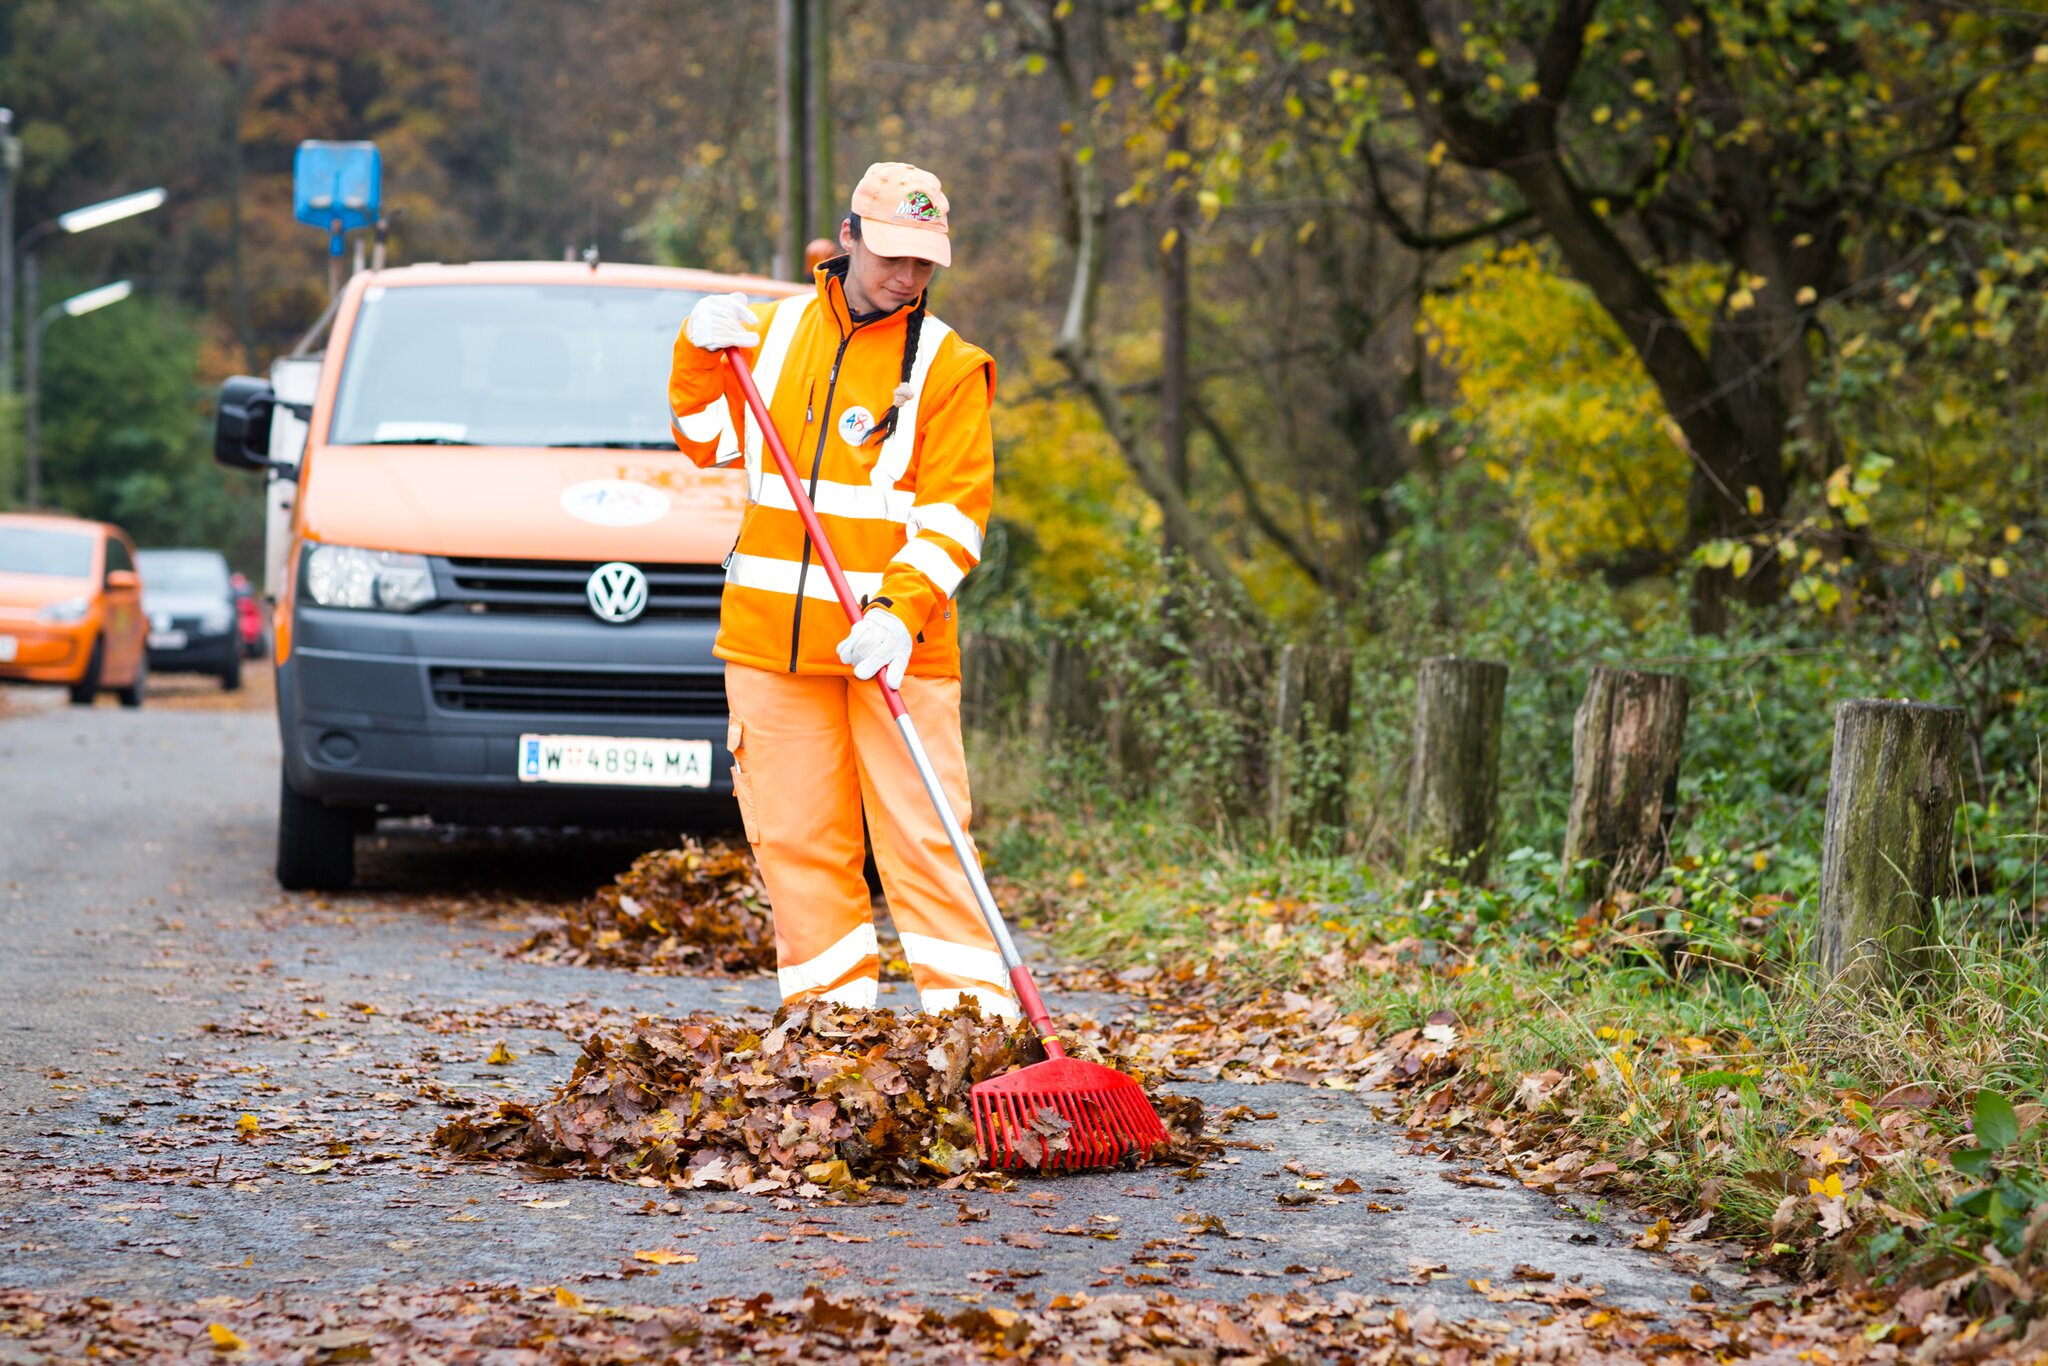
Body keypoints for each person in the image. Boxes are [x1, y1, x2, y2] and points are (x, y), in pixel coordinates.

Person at [666, 162, 1016, 1021]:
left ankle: (974, 1033)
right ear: (849, 236)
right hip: (771, 650)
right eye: (892, 255)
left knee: (927, 843)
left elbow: (954, 519)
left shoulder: (948, 367)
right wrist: (696, 352)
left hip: (895, 652)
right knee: (798, 844)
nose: (906, 276)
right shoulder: (772, 337)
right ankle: (833, 1036)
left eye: (923, 262)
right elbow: (707, 440)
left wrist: (898, 615)